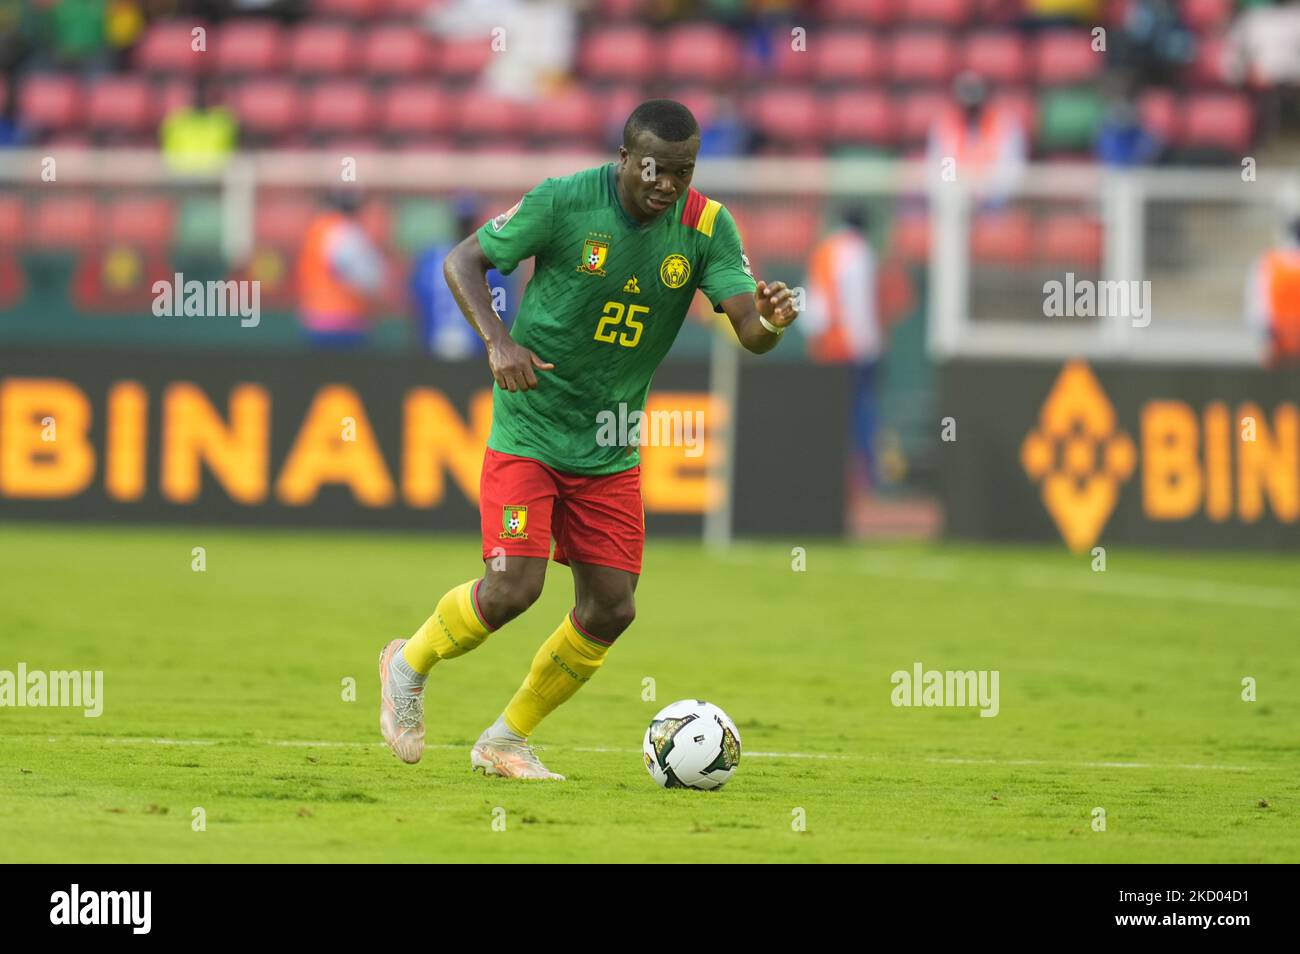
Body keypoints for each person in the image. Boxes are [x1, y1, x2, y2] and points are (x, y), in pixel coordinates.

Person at [377, 99, 798, 779]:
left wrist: (772, 324)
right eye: (655, 169)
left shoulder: (708, 226)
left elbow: (749, 330)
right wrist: (499, 341)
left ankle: (506, 738)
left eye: (682, 172)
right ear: (626, 158)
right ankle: (407, 664)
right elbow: (463, 262)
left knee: (611, 607)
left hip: (610, 443)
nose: (667, 184)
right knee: (514, 588)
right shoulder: (564, 200)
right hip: (531, 425)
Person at [801, 208, 885, 498]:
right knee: (862, 413)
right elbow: (859, 305)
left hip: (827, 346)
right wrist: (869, 345)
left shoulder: (824, 251)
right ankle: (867, 479)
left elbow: (813, 308)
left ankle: (831, 477)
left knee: (832, 415)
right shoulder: (859, 253)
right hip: (853, 347)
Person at [409, 198, 514, 358]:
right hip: (475, 346)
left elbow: (415, 301)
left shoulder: (431, 257)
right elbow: (502, 307)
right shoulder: (490, 261)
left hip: (435, 343)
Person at [295, 190, 386, 349]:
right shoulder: (345, 232)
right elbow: (366, 278)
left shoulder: (317, 229)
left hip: (315, 321)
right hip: (345, 324)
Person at [927, 72, 1027, 208]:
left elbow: (1010, 167)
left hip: (995, 200)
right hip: (957, 200)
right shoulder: (946, 126)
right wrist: (958, 190)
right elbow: (943, 165)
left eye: (975, 106)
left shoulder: (1004, 123)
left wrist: (987, 191)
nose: (971, 112)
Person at [1245, 215, 1300, 368]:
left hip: (1275, 340)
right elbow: (1259, 305)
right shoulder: (1271, 262)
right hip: (1276, 340)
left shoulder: (1269, 262)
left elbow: (1256, 305)